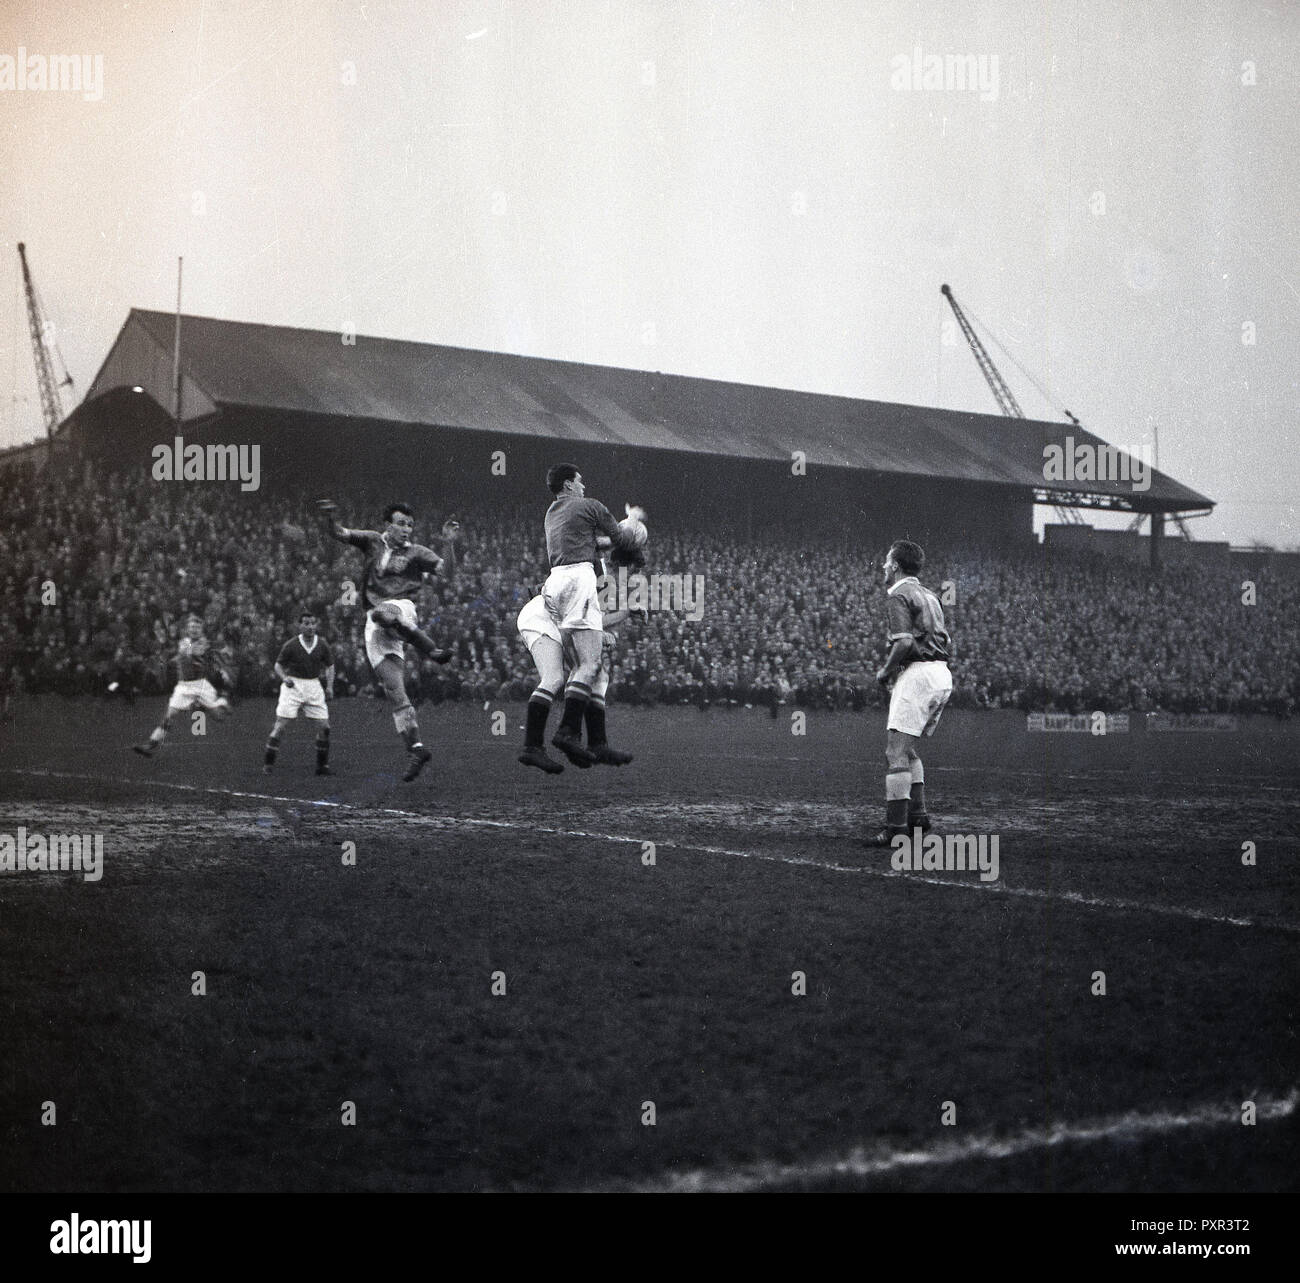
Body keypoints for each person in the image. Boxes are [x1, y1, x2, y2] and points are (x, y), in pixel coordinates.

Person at [317, 500, 460, 782]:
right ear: (388, 525)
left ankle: (431, 650)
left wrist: (449, 544)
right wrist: (330, 518)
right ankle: (416, 749)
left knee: (384, 613)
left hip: (402, 609)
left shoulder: (417, 553)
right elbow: (339, 533)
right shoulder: (371, 541)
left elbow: (448, 573)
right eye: (401, 524)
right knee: (395, 690)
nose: (406, 530)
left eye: (410, 525)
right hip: (375, 625)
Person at [538, 464, 642, 765]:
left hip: (555, 583)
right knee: (591, 665)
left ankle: (597, 742)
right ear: (569, 484)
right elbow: (622, 539)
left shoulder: (553, 514)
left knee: (595, 672)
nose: (584, 486)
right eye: (580, 482)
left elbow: (595, 542)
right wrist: (633, 524)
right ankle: (568, 731)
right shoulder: (590, 505)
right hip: (578, 581)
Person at [863, 540, 953, 846]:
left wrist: (885, 671)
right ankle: (918, 818)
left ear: (897, 565)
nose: (884, 566)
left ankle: (896, 831)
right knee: (909, 749)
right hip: (941, 674)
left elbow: (903, 643)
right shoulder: (930, 595)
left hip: (919, 674)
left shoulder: (899, 594)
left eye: (887, 561)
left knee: (895, 752)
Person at [517, 568, 639, 772]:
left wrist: (615, 620)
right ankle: (538, 745)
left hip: (549, 617)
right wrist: (624, 614)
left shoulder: (591, 582)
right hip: (544, 617)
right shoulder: (588, 579)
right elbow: (584, 622)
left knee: (596, 675)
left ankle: (594, 743)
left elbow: (590, 623)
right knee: (560, 676)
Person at [132, 614, 231, 757]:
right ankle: (151, 743)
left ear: (201, 629)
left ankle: (222, 702)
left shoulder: (203, 642)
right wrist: (173, 658)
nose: (194, 629)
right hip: (183, 686)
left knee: (219, 717)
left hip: (200, 685)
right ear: (187, 629)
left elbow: (193, 652)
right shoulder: (184, 641)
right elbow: (185, 653)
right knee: (169, 715)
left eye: (197, 627)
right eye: (191, 627)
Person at [264, 610, 335, 775]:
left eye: (313, 623)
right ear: (300, 626)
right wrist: (284, 678)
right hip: (293, 686)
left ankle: (322, 766)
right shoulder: (291, 645)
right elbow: (278, 665)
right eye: (306, 624)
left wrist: (330, 686)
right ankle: (268, 763)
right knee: (280, 726)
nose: (310, 627)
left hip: (314, 686)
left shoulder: (322, 644)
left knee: (324, 728)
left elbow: (330, 665)